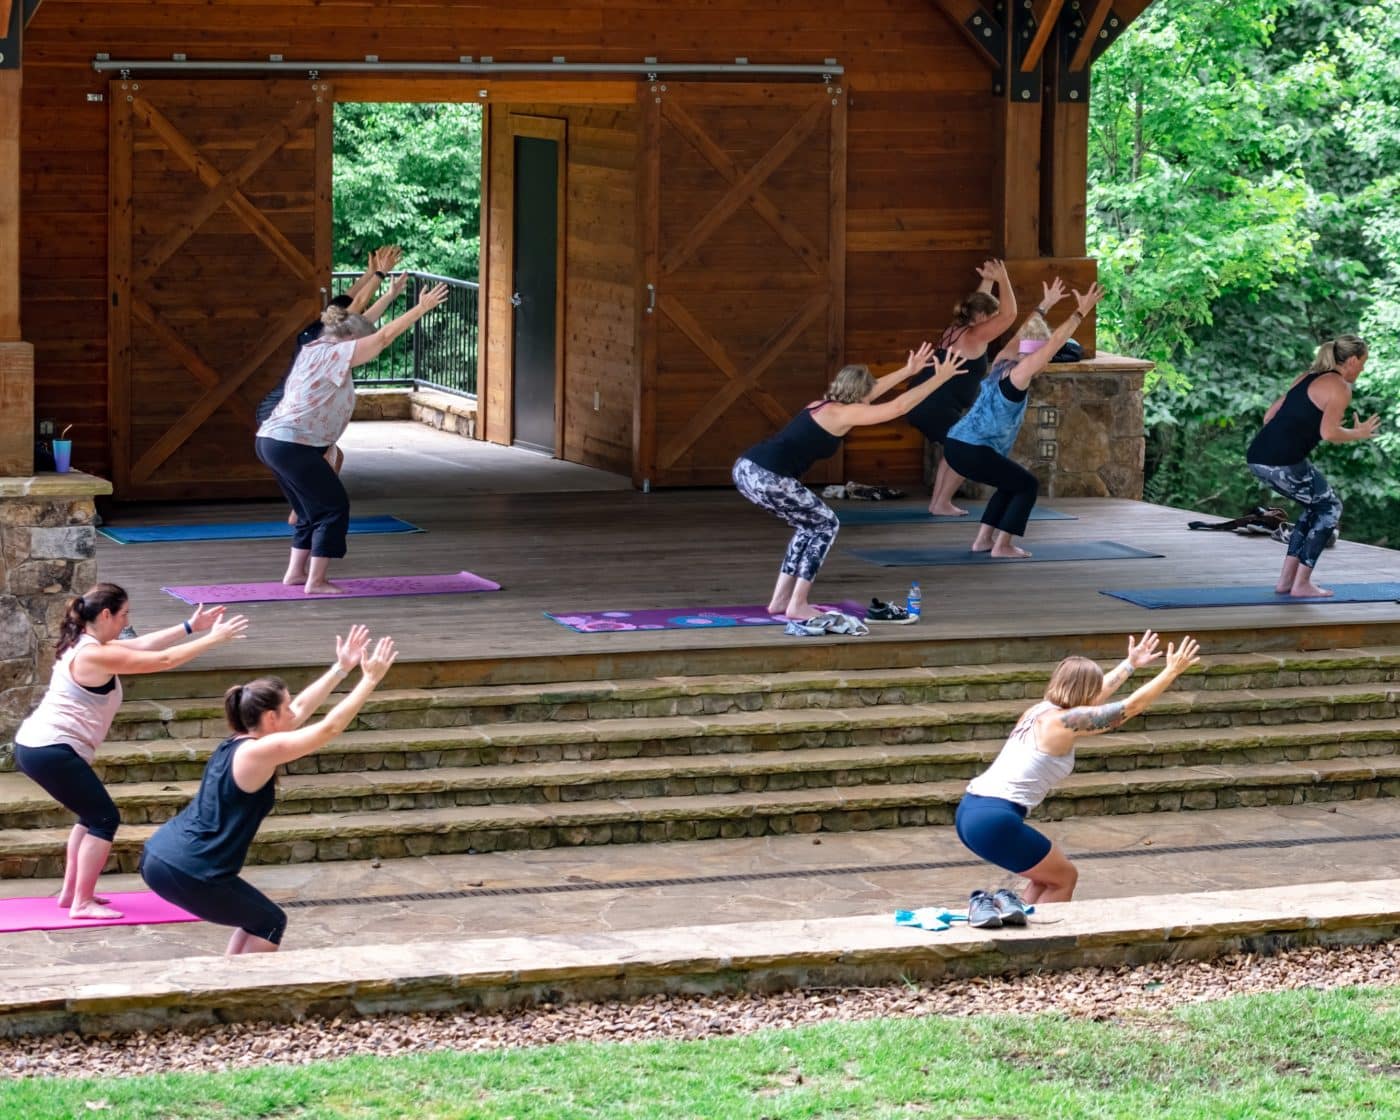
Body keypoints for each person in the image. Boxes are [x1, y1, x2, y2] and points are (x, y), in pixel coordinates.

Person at [140, 627, 396, 954]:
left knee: (259, 920)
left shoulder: (240, 742)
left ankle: (225, 989)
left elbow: (301, 708)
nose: (294, 712)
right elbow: (328, 727)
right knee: (270, 921)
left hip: (161, 855)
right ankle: (234, 995)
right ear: (271, 717)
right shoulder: (256, 753)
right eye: (285, 708)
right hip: (188, 868)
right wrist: (369, 681)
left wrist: (341, 669)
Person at [12, 584, 248, 919]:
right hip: (49, 748)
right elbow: (161, 660)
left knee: (90, 815)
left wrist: (189, 628)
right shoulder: (94, 653)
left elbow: (140, 645)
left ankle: (70, 894)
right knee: (104, 818)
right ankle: (82, 902)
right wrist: (214, 639)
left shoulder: (88, 643)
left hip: (40, 746)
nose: (126, 622)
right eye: (124, 615)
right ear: (105, 615)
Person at [954, 632, 1201, 923]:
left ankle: (1013, 928)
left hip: (971, 811)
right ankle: (1037, 947)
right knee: (1064, 877)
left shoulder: (1041, 710)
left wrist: (1130, 664)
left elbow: (1095, 699)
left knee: (1045, 878)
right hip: (994, 818)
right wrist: (1171, 671)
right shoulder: (1061, 723)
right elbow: (1128, 708)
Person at [733, 344, 968, 620]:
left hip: (747, 468)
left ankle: (781, 601)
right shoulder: (844, 414)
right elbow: (898, 407)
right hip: (769, 475)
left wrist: (909, 370)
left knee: (809, 525)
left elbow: (873, 390)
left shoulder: (825, 405)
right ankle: (797, 604)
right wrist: (939, 378)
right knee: (826, 524)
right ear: (860, 395)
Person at [255, 280, 449, 594]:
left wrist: (389, 294)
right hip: (291, 444)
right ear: (350, 340)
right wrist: (420, 308)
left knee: (308, 511)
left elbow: (360, 320)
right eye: (361, 340)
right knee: (333, 508)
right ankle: (316, 581)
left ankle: (295, 574)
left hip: (273, 441)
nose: (365, 346)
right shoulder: (334, 353)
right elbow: (382, 335)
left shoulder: (315, 346)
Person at [943, 279, 1103, 558]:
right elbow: (1053, 343)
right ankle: (1002, 546)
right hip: (972, 449)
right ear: (1035, 355)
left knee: (1011, 482)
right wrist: (1081, 312)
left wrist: (1045, 305)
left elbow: (1022, 333)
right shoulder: (1019, 373)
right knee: (1027, 485)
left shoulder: (1002, 360)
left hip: (956, 444)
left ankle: (984, 540)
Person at [1246, 335, 1380, 598]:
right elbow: (1328, 433)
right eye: (1362, 363)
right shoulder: (1339, 386)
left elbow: (1268, 416)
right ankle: (1301, 584)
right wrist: (1358, 433)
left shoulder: (1307, 376)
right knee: (1331, 508)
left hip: (1258, 456)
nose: (1362, 369)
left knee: (1315, 505)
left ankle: (1287, 582)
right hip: (1283, 461)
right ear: (1352, 360)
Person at [907, 259, 1020, 516]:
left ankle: (939, 503)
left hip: (926, 401)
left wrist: (989, 281)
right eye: (990, 318)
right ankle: (941, 503)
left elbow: (976, 304)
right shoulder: (973, 335)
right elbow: (1010, 315)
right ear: (980, 318)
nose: (993, 324)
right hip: (931, 404)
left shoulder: (958, 328)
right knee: (967, 448)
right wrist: (1003, 279)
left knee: (957, 446)